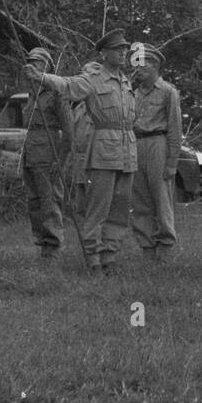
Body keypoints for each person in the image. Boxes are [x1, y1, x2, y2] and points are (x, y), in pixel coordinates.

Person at [23, 30, 137, 275]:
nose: (123, 53)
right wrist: (42, 77)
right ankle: (94, 259)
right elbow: (67, 85)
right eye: (118, 49)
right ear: (104, 53)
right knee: (98, 209)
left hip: (128, 151)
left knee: (119, 210)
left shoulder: (125, 81)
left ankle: (110, 258)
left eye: (125, 49)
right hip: (104, 151)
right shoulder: (93, 78)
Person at [19, 46, 77, 258]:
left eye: (38, 63)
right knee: (34, 200)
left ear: (48, 67)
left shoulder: (56, 93)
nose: (32, 66)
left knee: (49, 200)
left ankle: (54, 246)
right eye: (30, 62)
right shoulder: (32, 94)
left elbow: (69, 131)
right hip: (31, 151)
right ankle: (43, 243)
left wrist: (60, 160)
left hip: (48, 151)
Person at [130, 44, 182, 261]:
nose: (137, 70)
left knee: (161, 198)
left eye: (141, 65)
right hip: (137, 144)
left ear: (154, 66)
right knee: (140, 198)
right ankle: (147, 247)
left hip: (158, 144)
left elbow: (175, 129)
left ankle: (165, 247)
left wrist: (172, 162)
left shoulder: (168, 92)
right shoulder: (132, 93)